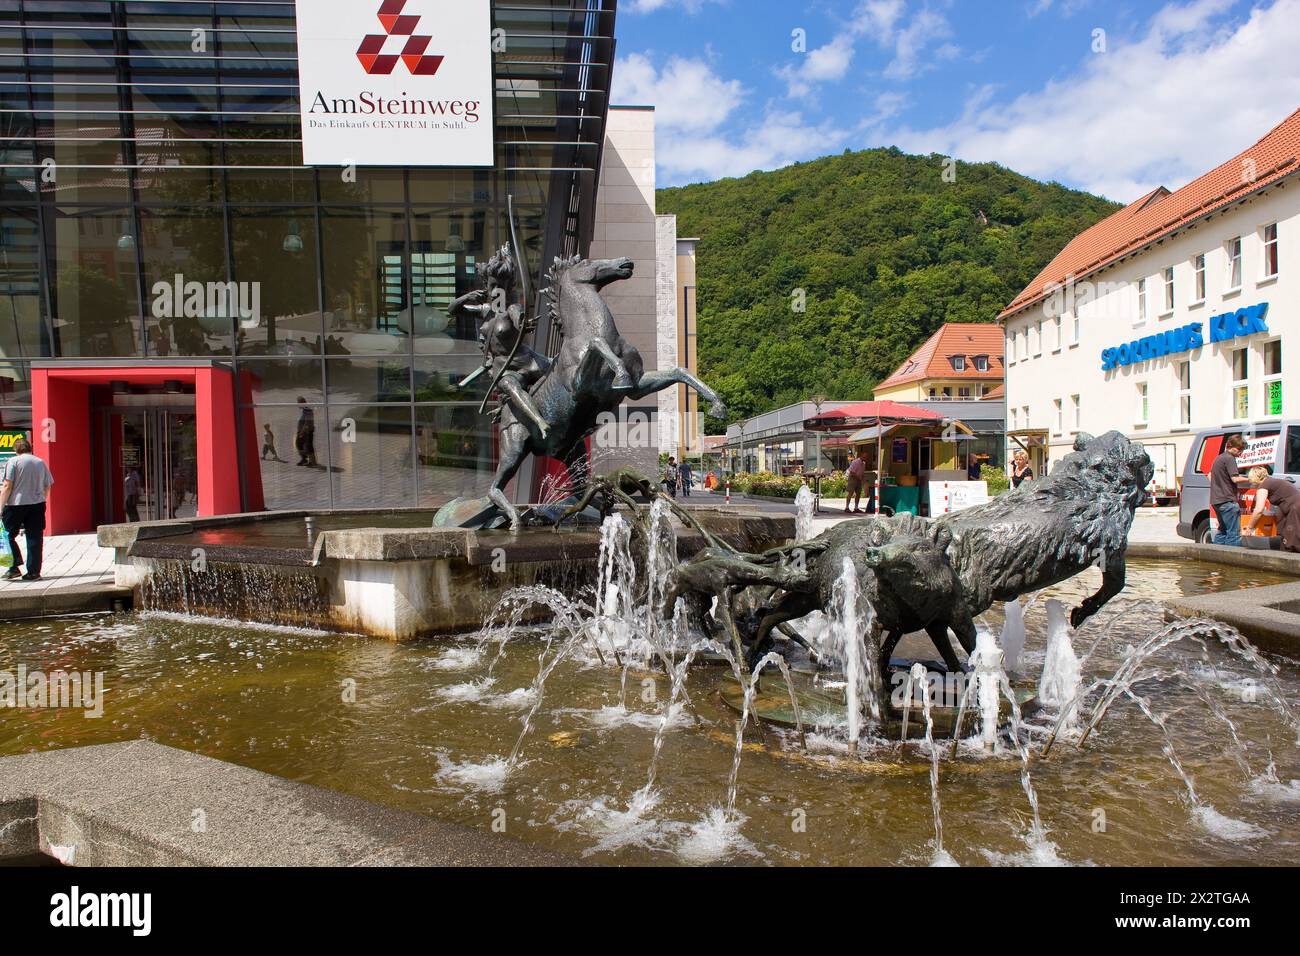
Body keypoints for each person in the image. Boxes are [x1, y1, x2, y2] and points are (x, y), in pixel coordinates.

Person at [1, 437, 54, 581]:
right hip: (37, 504)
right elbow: (48, 485)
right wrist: (42, 499)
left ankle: (13, 567)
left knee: (7, 536)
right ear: (30, 448)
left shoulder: (13, 462)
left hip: (15, 505)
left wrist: (0, 507)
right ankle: (33, 572)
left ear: (15, 450)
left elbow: (7, 486)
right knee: (35, 537)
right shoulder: (40, 462)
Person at [1246, 465, 1300, 553]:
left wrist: (1250, 527)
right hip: (1295, 507)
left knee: (1290, 542)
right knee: (1293, 536)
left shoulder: (1264, 485)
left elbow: (1259, 510)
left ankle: (1286, 563)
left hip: (1294, 509)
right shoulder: (1272, 481)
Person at [1209, 434, 1250, 547]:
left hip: (1216, 500)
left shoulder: (1219, 457)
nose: (1240, 454)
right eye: (1240, 450)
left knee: (1222, 531)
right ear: (1234, 447)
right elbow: (1235, 478)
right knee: (1233, 534)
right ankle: (1233, 559)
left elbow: (1209, 475)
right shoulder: (1229, 458)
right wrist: (1251, 479)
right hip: (1227, 501)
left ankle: (1216, 556)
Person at [295, 397, 317, 467]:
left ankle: (313, 462)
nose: (297, 405)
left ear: (302, 403)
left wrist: (302, 431)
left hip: (307, 431)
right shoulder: (305, 409)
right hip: (303, 431)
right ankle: (304, 459)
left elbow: (307, 422)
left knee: (308, 446)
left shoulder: (307, 410)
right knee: (299, 444)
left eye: (298, 403)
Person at [845, 449, 868, 513]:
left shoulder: (863, 463)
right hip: (852, 478)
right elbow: (851, 471)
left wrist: (864, 480)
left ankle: (856, 508)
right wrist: (859, 477)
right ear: (861, 456)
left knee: (858, 493)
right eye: (864, 457)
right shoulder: (855, 462)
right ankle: (847, 507)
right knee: (850, 493)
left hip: (859, 479)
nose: (865, 458)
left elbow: (862, 473)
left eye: (866, 457)